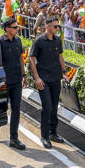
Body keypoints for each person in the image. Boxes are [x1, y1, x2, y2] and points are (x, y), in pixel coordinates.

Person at [29, 16, 69, 149]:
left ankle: (53, 133)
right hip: (43, 79)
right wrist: (36, 78)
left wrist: (64, 72)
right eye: (55, 26)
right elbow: (32, 60)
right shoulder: (39, 41)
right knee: (47, 107)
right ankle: (44, 136)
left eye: (58, 26)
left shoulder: (58, 40)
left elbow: (60, 56)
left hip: (55, 78)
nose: (57, 28)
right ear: (48, 27)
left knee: (54, 107)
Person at [0, 17, 27, 150]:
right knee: (1, 107)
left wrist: (24, 75)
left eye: (17, 27)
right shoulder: (0, 42)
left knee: (16, 109)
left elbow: (20, 59)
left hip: (17, 80)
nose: (17, 29)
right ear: (7, 29)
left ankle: (14, 138)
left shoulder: (18, 40)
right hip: (3, 81)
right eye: (15, 27)